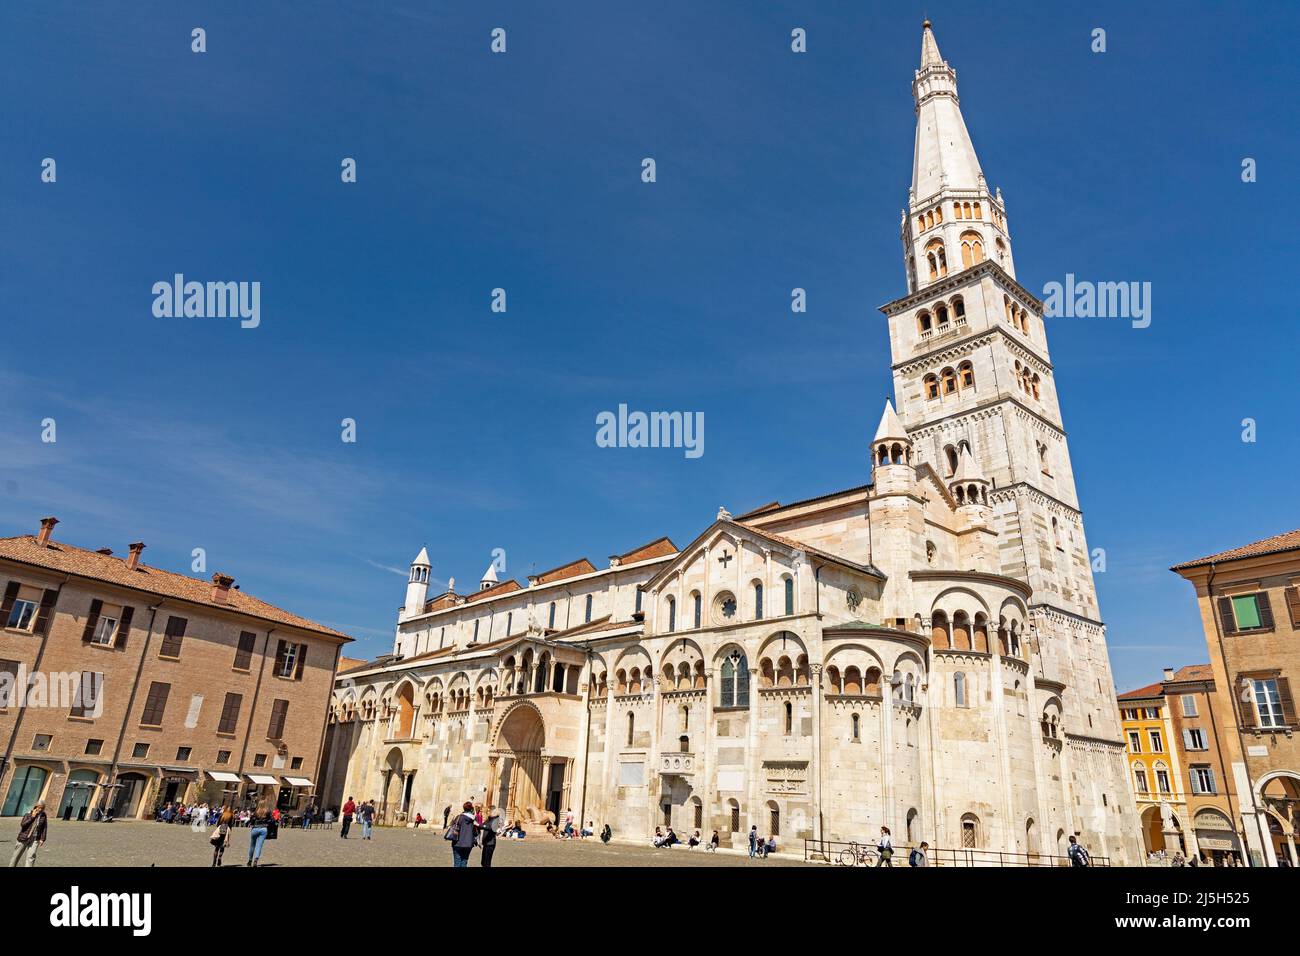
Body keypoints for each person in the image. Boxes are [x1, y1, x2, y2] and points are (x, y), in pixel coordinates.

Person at [9, 802, 47, 867]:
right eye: (39, 807)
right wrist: (32, 817)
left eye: (42, 808)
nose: (40, 809)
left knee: (31, 857)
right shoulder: (28, 814)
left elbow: (44, 827)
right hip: (24, 838)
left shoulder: (43, 816)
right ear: (35, 807)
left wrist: (43, 839)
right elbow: (23, 825)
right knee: (16, 856)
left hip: (35, 839)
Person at [446, 800, 479, 867]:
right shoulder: (474, 819)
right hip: (469, 843)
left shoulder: (459, 817)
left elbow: (453, 826)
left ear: (464, 808)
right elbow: (476, 832)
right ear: (471, 809)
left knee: (457, 862)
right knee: (464, 862)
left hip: (458, 843)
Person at [247, 801, 274, 867]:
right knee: (259, 845)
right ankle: (256, 859)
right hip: (263, 829)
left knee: (252, 845)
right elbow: (272, 821)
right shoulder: (267, 812)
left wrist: (252, 823)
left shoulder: (256, 812)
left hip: (255, 829)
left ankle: (250, 860)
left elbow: (251, 821)